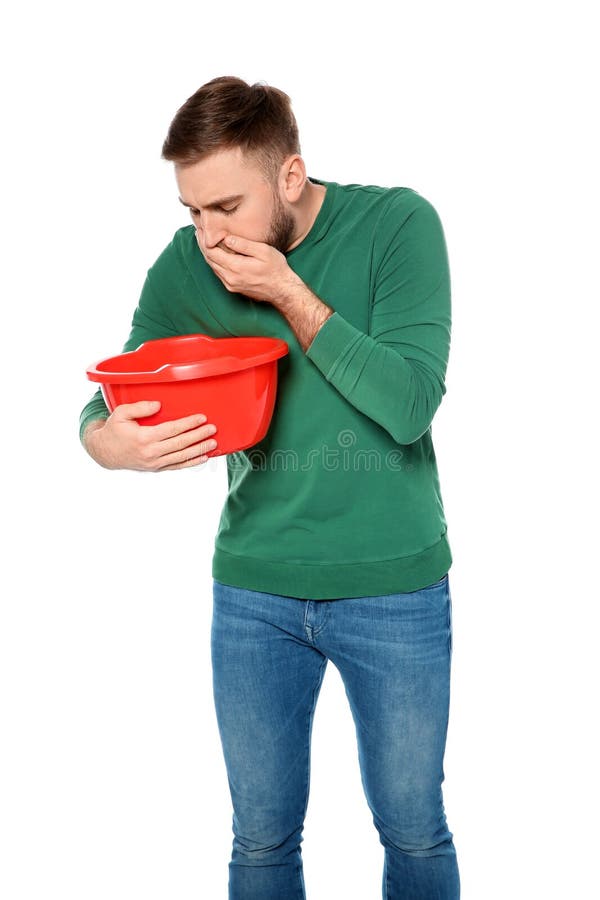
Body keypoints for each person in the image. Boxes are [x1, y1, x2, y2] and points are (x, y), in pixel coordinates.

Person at [79, 75, 460, 899]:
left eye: (225, 207)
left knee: (413, 829)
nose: (208, 237)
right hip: (254, 591)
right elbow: (119, 384)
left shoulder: (398, 225)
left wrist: (289, 292)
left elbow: (409, 405)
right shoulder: (192, 264)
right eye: (190, 212)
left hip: (393, 585)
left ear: (289, 175)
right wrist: (103, 442)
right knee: (259, 843)